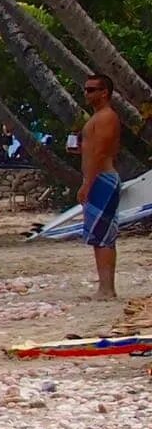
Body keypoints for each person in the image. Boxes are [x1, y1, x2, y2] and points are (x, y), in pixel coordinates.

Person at [79, 72, 124, 299]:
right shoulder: (97, 117)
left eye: (91, 90)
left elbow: (101, 152)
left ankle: (108, 288)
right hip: (97, 179)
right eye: (85, 89)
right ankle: (104, 287)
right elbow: (92, 149)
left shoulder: (107, 117)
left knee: (104, 235)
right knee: (98, 235)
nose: (86, 94)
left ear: (104, 92)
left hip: (102, 179)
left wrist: (88, 183)